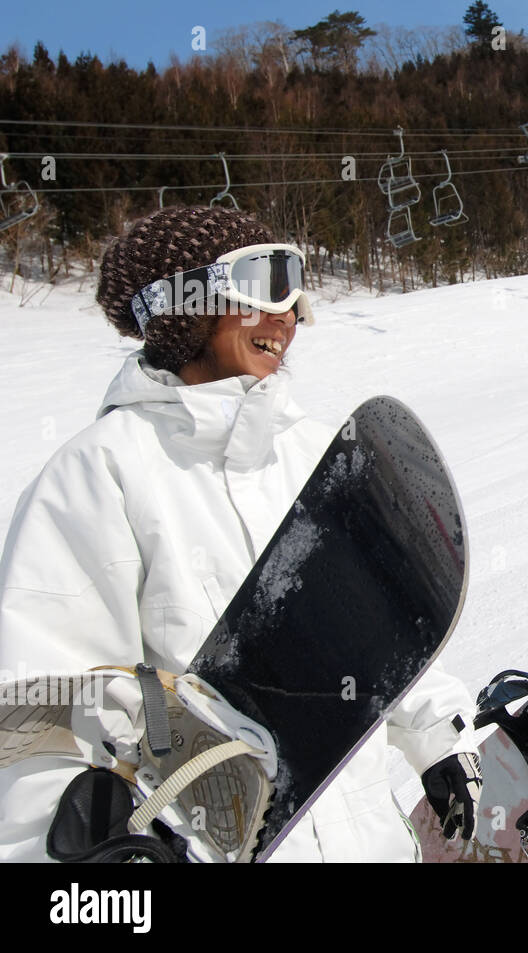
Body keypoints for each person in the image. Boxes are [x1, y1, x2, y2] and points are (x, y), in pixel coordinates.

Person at [0, 205, 480, 862]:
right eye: (262, 282)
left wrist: (438, 737)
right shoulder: (98, 474)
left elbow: (382, 631)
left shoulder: (318, 453)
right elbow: (40, 704)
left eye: (294, 288)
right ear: (179, 306)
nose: (287, 314)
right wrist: (84, 840)